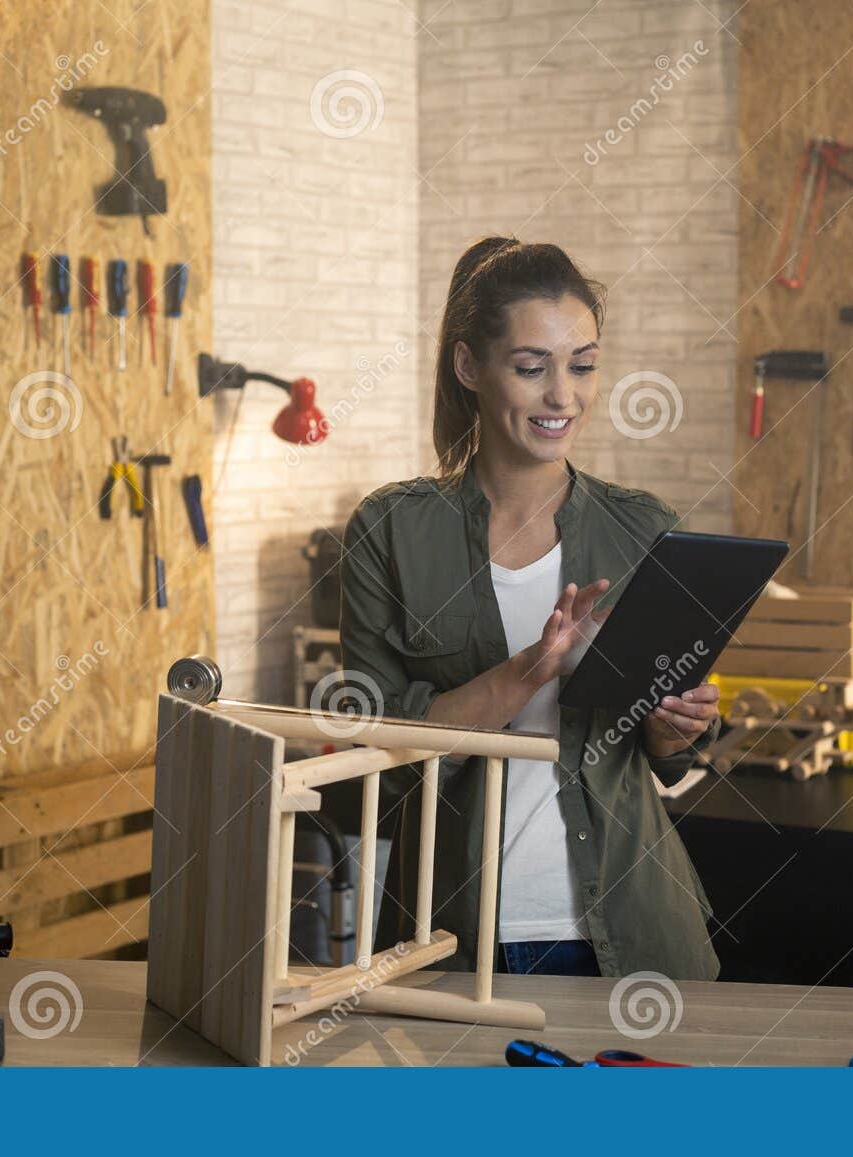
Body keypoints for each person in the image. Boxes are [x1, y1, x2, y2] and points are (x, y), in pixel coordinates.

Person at [338, 236, 721, 980]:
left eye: (582, 365)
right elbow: (377, 758)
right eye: (531, 368)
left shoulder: (644, 529)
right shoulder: (390, 530)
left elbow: (672, 757)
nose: (563, 396)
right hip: (448, 937)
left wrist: (677, 727)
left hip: (637, 934)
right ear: (467, 366)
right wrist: (526, 672)